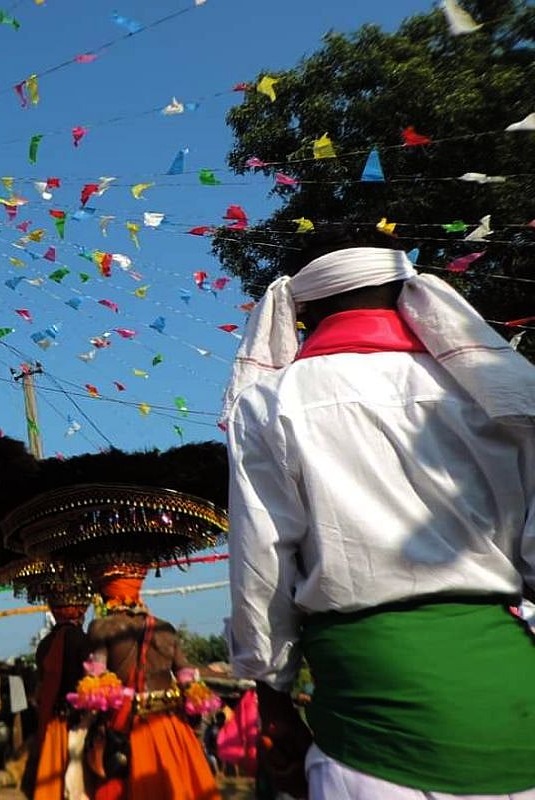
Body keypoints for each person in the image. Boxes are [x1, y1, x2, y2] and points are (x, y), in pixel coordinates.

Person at [223, 229, 535, 799]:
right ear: (406, 292)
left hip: (369, 723)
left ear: (301, 310)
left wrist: (272, 698)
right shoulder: (495, 389)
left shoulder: (270, 401)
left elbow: (261, 564)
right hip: (515, 686)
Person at [87, 566, 220, 800]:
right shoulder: (165, 628)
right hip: (173, 728)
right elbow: (187, 676)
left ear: (106, 591)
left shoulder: (102, 627)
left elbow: (96, 687)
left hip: (130, 728)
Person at [21, 601, 91, 800]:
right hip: (80, 727)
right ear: (80, 612)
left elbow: (42, 688)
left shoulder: (44, 645)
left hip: (53, 725)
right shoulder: (83, 640)